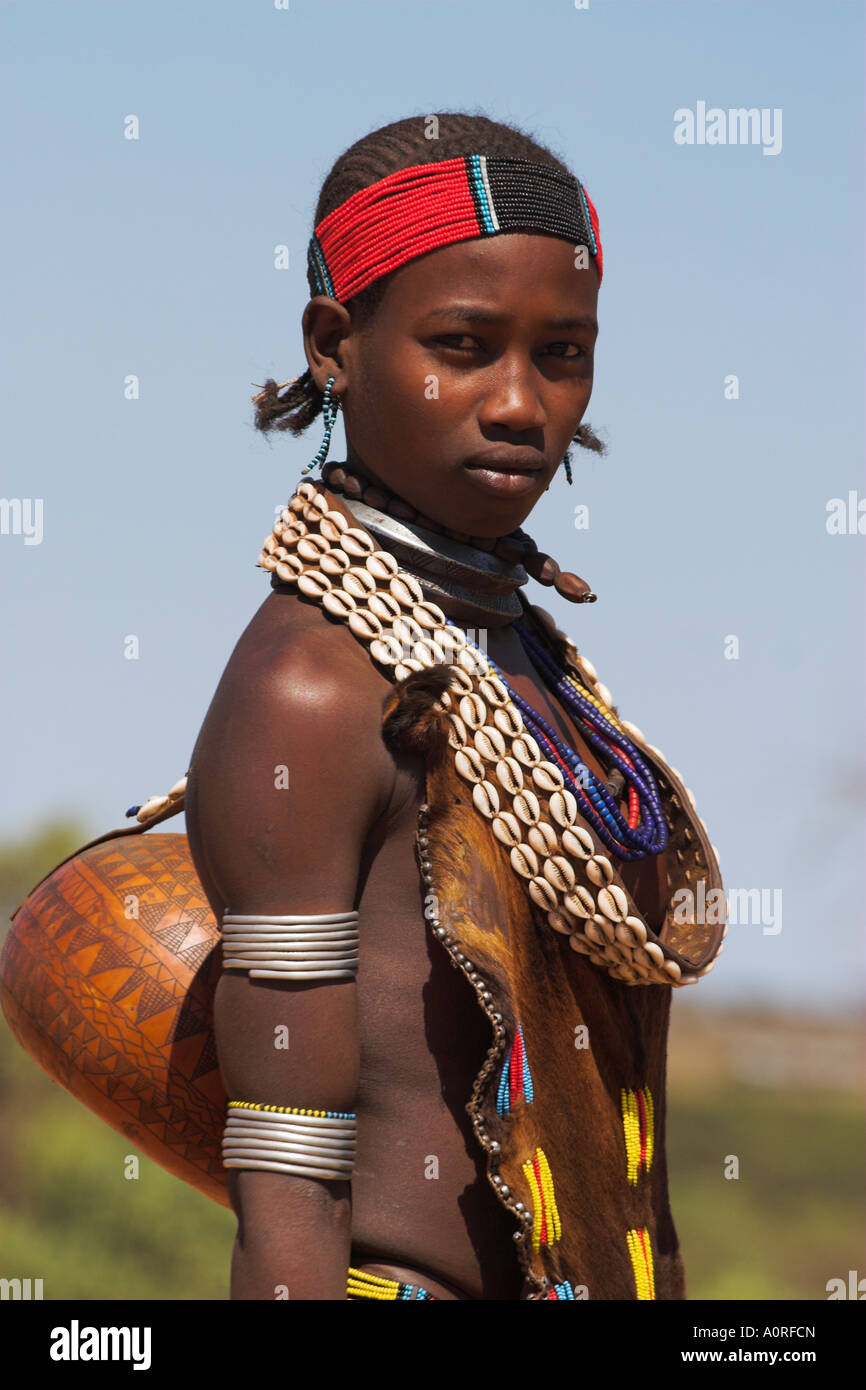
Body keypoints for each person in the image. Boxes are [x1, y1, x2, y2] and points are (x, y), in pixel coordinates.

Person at [185, 112, 725, 1302]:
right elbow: (289, 1184)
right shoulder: (313, 688)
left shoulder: (533, 665)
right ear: (335, 345)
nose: (523, 404)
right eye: (463, 345)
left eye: (562, 352)